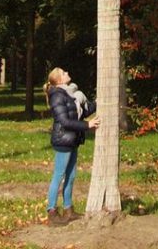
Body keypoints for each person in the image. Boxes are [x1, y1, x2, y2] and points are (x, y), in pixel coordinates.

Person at [45, 67, 99, 225]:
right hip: (63, 140)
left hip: (72, 140)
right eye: (64, 73)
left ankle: (68, 210)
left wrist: (97, 102)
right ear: (59, 80)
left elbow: (81, 112)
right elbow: (64, 121)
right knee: (59, 175)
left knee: (71, 175)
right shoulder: (57, 96)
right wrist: (87, 125)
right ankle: (51, 212)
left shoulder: (69, 94)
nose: (67, 73)